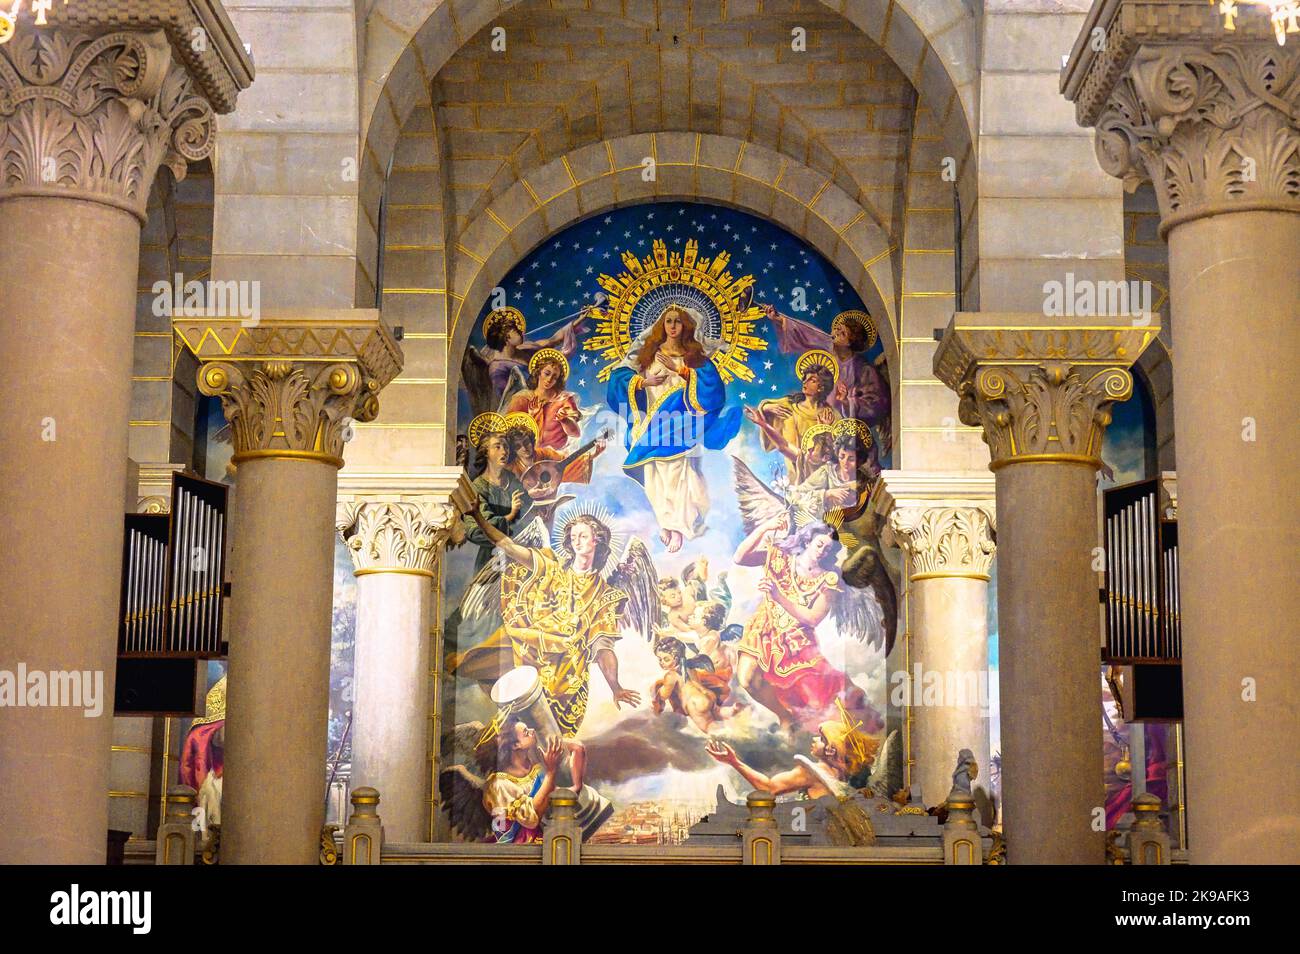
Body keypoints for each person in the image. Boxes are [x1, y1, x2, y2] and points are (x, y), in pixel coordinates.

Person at [451, 509, 642, 737]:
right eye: (573, 537)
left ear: (597, 539)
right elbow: (509, 547)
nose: (576, 542)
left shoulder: (604, 595)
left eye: (582, 536)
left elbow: (603, 646)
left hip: (564, 672)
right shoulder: (551, 566)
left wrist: (616, 686)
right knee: (511, 727)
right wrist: (479, 517)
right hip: (527, 652)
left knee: (549, 736)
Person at [607, 304, 742, 552]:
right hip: (650, 423)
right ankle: (665, 522)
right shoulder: (648, 355)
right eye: (668, 321)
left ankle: (679, 525)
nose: (672, 326)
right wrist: (643, 381)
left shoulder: (695, 358)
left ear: (686, 326)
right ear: (661, 325)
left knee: (679, 469)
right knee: (655, 472)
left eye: (677, 322)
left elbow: (712, 388)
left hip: (681, 422)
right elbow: (617, 379)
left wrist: (680, 370)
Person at [732, 515, 863, 731]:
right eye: (819, 544)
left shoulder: (828, 579)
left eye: (827, 549)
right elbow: (740, 557)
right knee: (746, 680)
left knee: (815, 700)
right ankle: (784, 717)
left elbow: (812, 617)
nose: (822, 551)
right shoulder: (780, 557)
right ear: (807, 541)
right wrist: (766, 525)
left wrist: (777, 595)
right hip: (763, 628)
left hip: (797, 641)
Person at [761, 304, 891, 454]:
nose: (835, 332)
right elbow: (803, 332)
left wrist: (846, 401)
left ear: (850, 342)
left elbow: (877, 404)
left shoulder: (863, 369)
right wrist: (778, 319)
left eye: (842, 333)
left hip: (838, 424)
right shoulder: (824, 347)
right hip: (813, 413)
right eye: (837, 328)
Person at [704, 702, 878, 799]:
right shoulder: (848, 775)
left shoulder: (810, 772)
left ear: (830, 750)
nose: (814, 739)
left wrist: (733, 762)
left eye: (821, 738)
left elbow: (769, 788)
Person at [751, 350, 840, 484]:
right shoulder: (790, 405)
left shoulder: (831, 415)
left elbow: (840, 449)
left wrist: (825, 430)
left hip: (822, 478)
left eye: (812, 380)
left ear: (821, 387)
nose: (805, 381)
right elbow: (764, 409)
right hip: (796, 476)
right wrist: (766, 408)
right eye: (805, 378)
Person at [462, 415, 535, 571]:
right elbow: (475, 531)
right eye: (498, 447)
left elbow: (528, 511)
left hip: (520, 555)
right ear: (486, 452)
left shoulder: (512, 480)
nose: (504, 451)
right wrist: (510, 515)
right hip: (493, 561)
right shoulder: (478, 487)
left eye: (506, 447)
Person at [478, 719, 567, 844]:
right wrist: (551, 772)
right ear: (515, 745)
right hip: (519, 847)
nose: (532, 731)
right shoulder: (499, 785)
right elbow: (532, 819)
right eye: (526, 732)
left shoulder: (537, 768)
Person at [504, 349, 585, 460]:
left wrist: (564, 420)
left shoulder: (564, 399)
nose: (549, 379)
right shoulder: (522, 399)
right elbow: (510, 432)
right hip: (527, 457)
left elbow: (575, 433)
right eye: (547, 373)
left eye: (555, 377)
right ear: (538, 372)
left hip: (556, 457)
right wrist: (532, 416)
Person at [791, 421, 879, 523]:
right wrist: (826, 494)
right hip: (823, 527)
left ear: (859, 460)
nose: (845, 462)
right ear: (837, 454)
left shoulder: (864, 481)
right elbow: (797, 495)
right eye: (842, 456)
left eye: (851, 459)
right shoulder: (826, 473)